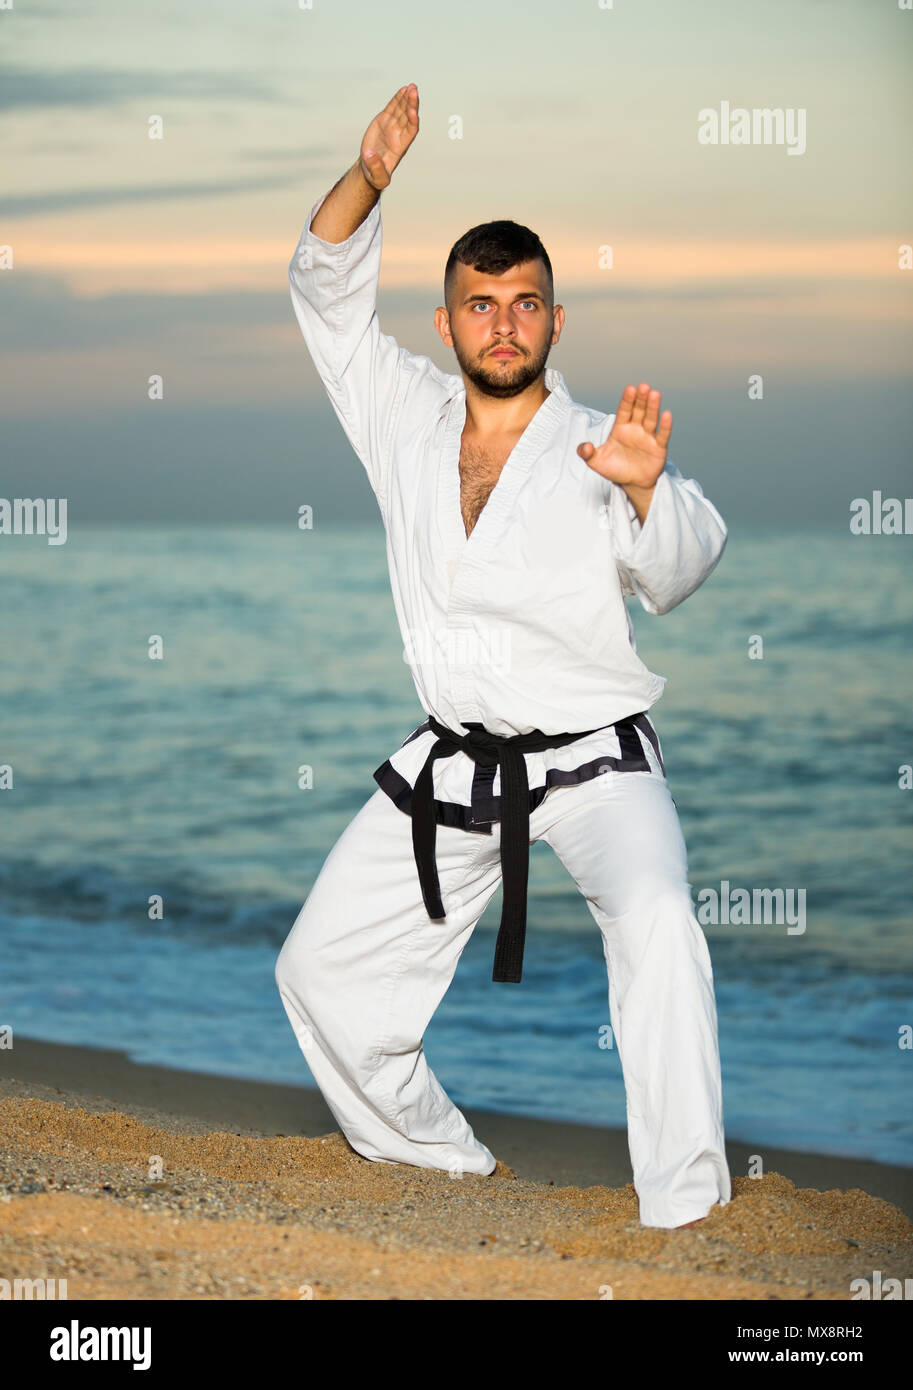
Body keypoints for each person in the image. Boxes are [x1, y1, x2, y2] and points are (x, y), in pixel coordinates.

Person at [275, 83, 731, 1229]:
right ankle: (439, 1159)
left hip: (596, 767)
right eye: (480, 305)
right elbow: (321, 289)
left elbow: (679, 570)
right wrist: (370, 173)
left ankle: (684, 1210)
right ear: (447, 323)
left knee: (663, 927)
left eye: (525, 304)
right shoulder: (401, 414)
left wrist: (645, 487)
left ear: (555, 322)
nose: (503, 325)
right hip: (458, 769)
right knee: (317, 976)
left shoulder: (597, 446)